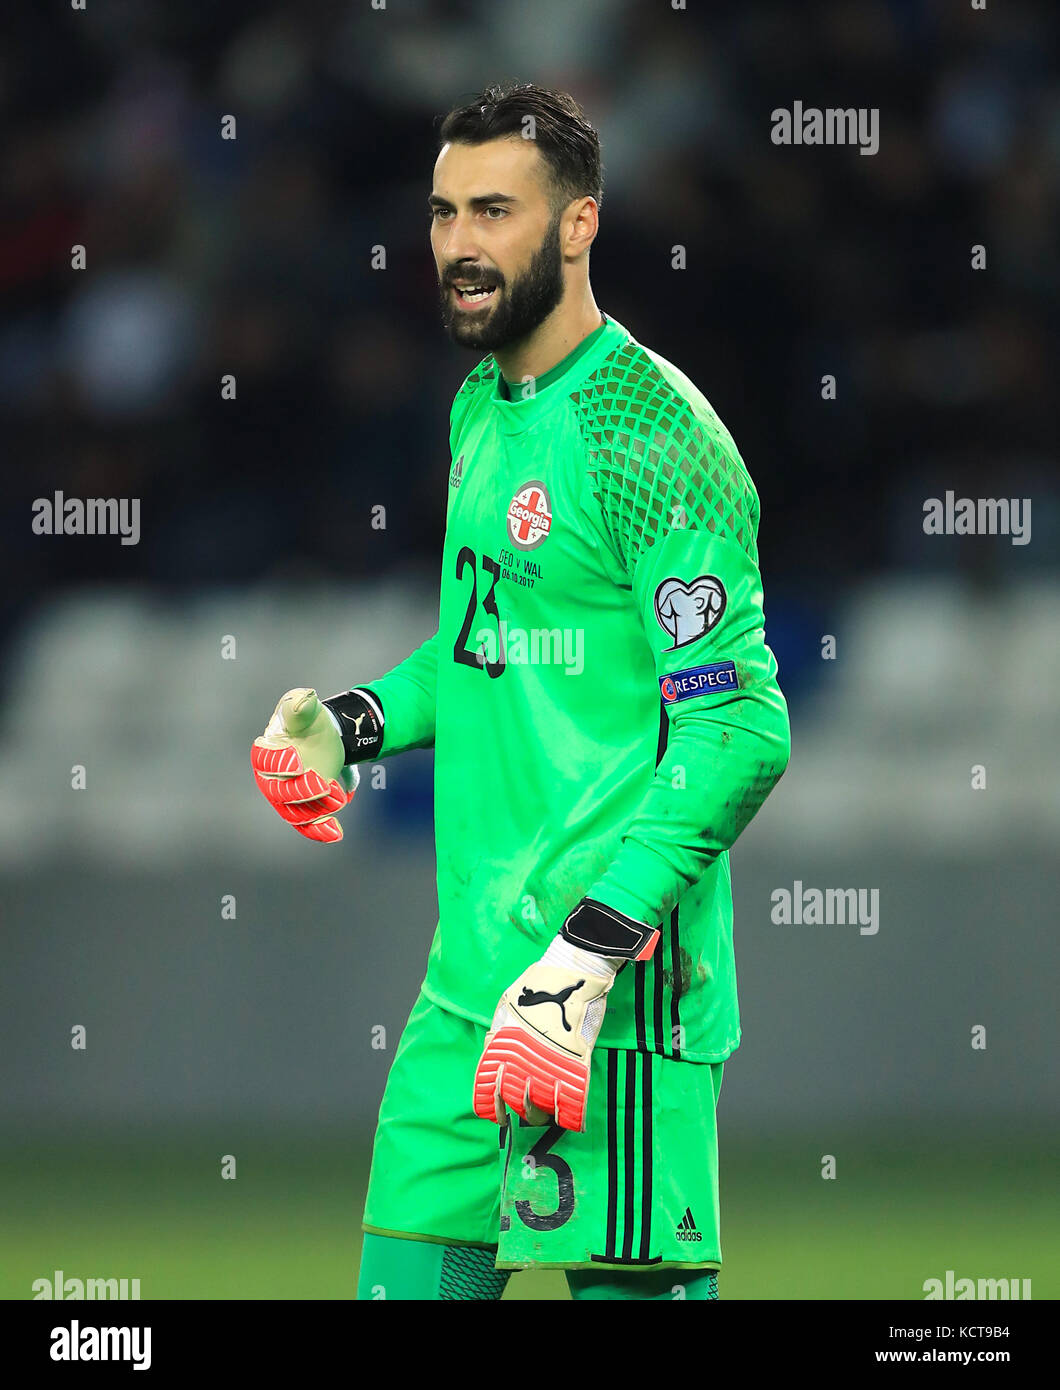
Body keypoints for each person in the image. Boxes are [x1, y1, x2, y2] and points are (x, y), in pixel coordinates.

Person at [252, 82, 790, 1301]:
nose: (458, 245)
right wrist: (348, 725)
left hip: (615, 1010)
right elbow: (478, 648)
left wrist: (588, 954)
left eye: (494, 210)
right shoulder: (480, 408)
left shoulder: (652, 437)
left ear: (579, 224)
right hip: (464, 999)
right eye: (443, 213)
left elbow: (739, 724)